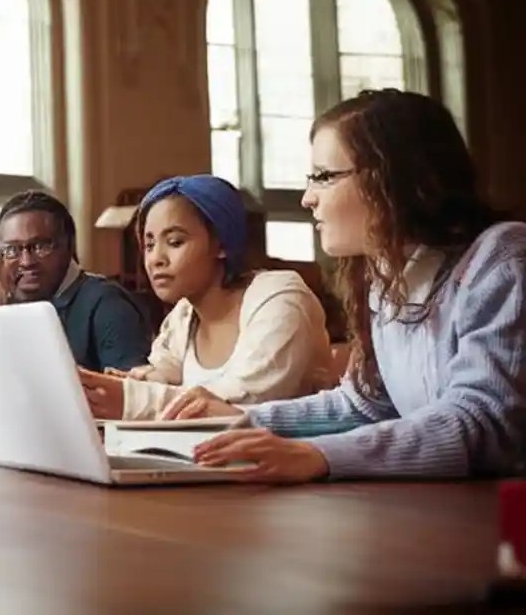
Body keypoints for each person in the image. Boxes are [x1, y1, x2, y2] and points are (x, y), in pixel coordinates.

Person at [170, 89, 526, 482]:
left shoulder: (502, 259)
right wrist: (244, 419)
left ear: (393, 177)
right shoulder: (387, 278)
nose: (307, 198)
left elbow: (483, 423)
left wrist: (318, 455)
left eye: (323, 176)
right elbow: (364, 406)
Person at [77, 175, 336, 420]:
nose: (156, 258)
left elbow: (239, 404)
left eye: (175, 242)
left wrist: (131, 399)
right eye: (149, 244)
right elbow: (165, 375)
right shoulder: (183, 316)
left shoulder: (280, 298)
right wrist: (130, 383)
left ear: (222, 245)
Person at [0, 190, 151, 372]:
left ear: (69, 246)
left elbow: (130, 395)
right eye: (12, 250)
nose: (26, 261)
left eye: (41, 246)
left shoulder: (108, 304)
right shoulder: (6, 304)